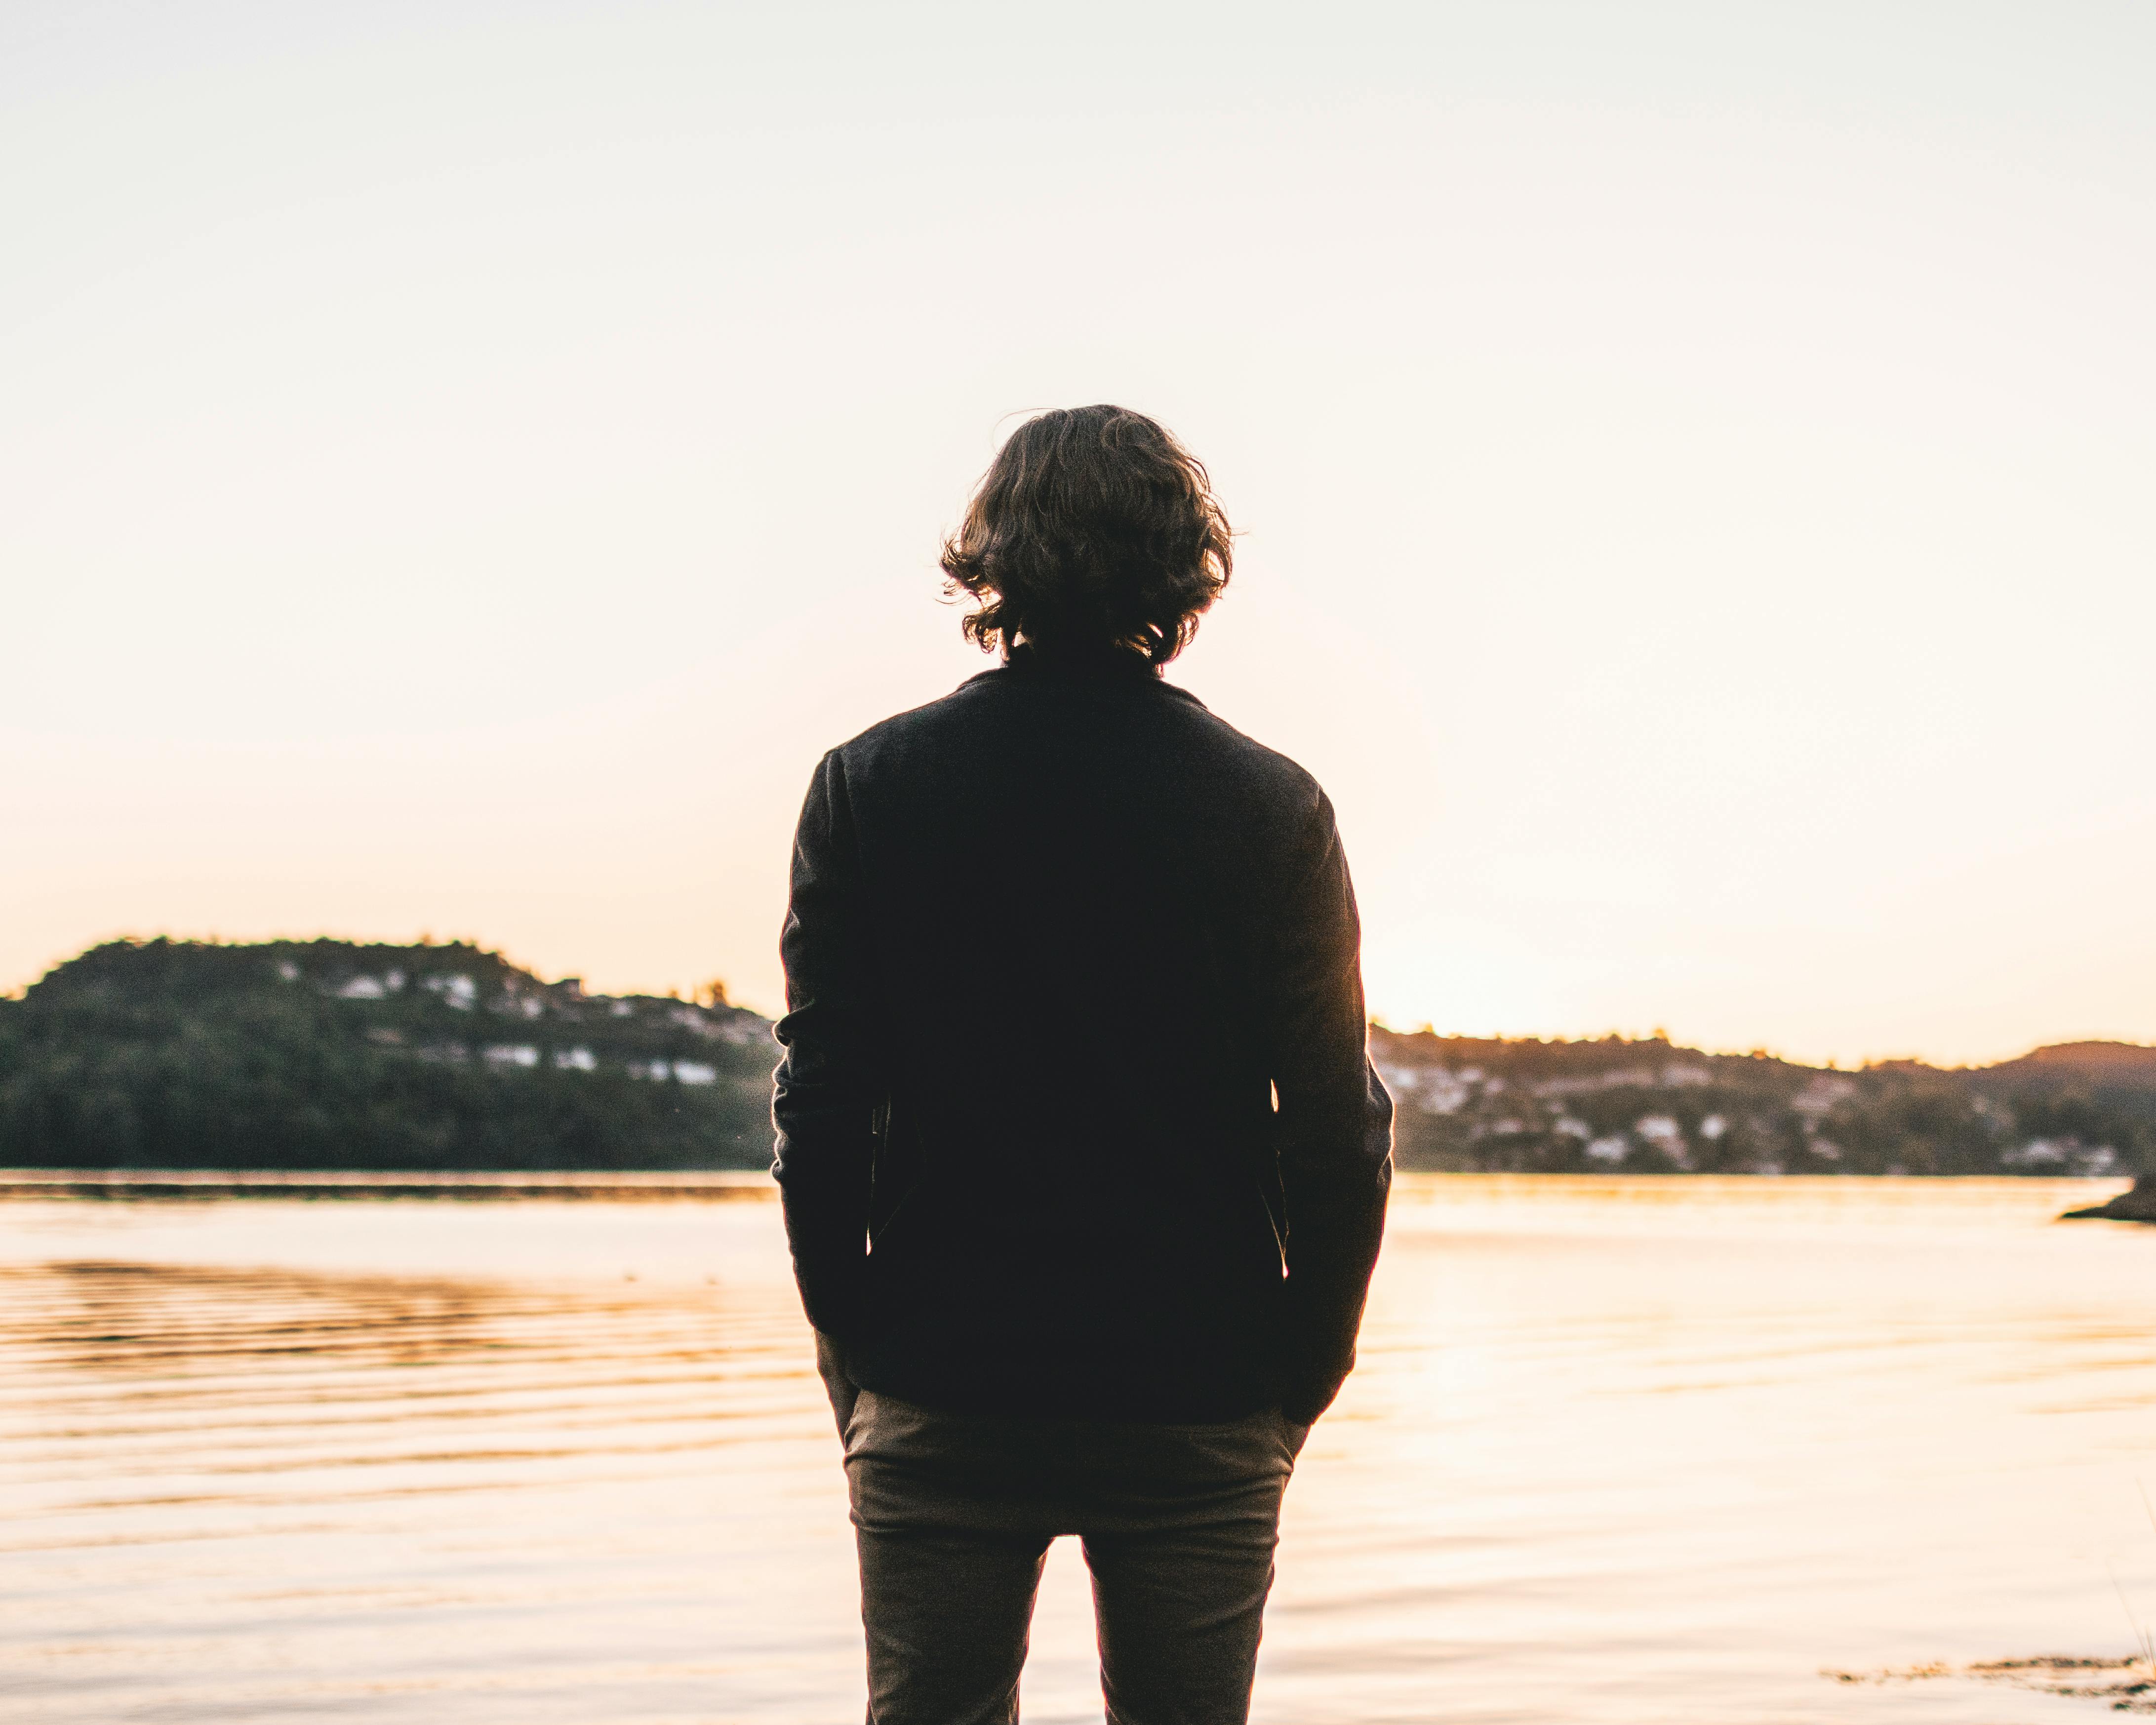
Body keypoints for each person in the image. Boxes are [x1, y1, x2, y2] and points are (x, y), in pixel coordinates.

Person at [771, 404, 1393, 1725]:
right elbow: (1336, 1124)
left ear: (993, 559)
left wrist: (858, 1337)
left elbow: (823, 1104)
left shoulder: (870, 787)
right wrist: (1306, 1365)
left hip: (944, 1373)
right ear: (1185, 575)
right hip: (1201, 1388)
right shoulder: (1273, 808)